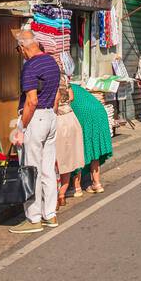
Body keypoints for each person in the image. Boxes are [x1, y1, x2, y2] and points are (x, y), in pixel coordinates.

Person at [9, 29, 62, 234]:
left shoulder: (30, 66)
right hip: (50, 116)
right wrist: (51, 116)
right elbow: (56, 96)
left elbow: (31, 100)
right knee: (48, 168)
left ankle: (34, 218)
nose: (19, 52)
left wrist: (21, 127)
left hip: (36, 118)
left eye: (18, 49)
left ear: (23, 47)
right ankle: (50, 214)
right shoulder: (52, 63)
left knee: (31, 169)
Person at [68, 82, 113, 194]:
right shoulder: (76, 87)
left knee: (79, 149)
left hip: (85, 116)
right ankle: (97, 184)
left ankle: (77, 188)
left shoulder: (62, 88)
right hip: (99, 113)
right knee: (94, 149)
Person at [54, 76, 85, 209]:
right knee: (68, 159)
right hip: (71, 119)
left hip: (58, 120)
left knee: (56, 160)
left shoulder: (48, 78)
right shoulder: (64, 78)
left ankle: (55, 197)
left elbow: (54, 102)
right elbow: (71, 97)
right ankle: (62, 195)